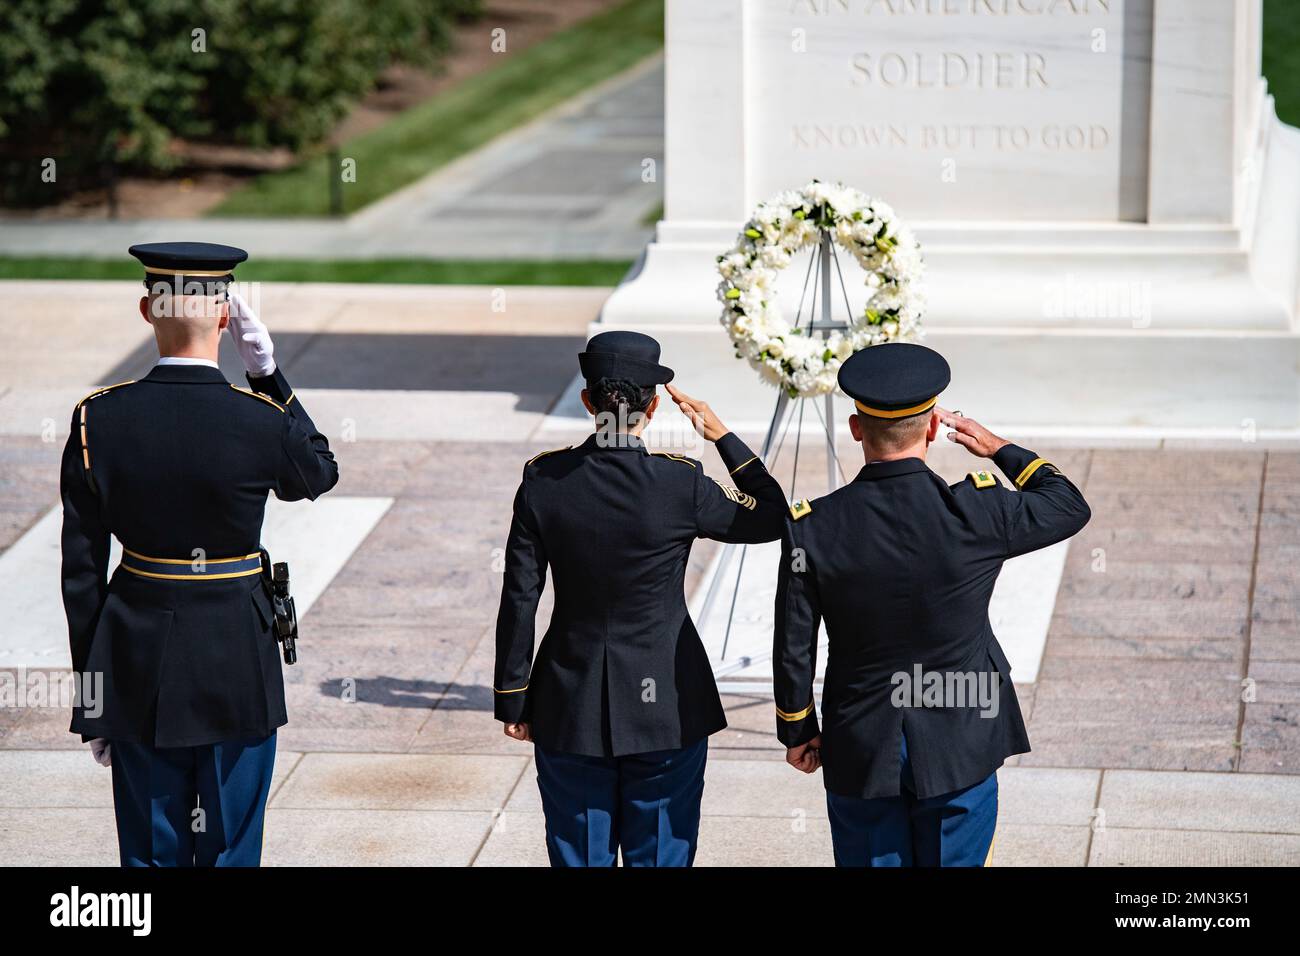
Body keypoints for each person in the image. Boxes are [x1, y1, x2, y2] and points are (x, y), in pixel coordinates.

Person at [59, 241, 338, 866]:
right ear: (225, 317)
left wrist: (95, 700)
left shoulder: (94, 421)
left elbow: (81, 575)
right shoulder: (259, 418)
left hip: (134, 665)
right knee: (230, 849)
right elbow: (318, 472)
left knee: (150, 854)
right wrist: (268, 374)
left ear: (145, 311)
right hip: (236, 659)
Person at [772, 342, 1090, 867]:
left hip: (862, 742)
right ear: (934, 426)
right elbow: (1068, 505)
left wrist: (798, 727)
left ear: (857, 429)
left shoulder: (813, 526)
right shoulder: (978, 512)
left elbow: (793, 642)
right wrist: (1000, 449)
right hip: (961, 735)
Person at [493, 330, 786, 866]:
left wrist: (514, 695)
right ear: (653, 407)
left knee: (580, 855)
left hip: (568, 702)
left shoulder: (543, 480)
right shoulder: (680, 484)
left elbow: (520, 597)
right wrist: (721, 435)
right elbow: (771, 517)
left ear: (587, 402)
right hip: (667, 704)